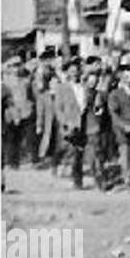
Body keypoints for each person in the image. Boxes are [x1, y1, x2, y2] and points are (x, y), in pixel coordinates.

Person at [54, 59, 88, 188]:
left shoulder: (83, 87)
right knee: (68, 150)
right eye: (72, 71)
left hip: (82, 124)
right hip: (69, 125)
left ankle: (77, 180)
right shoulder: (62, 88)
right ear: (67, 72)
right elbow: (58, 108)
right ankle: (59, 166)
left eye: (76, 71)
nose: (74, 73)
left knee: (79, 153)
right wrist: (64, 122)